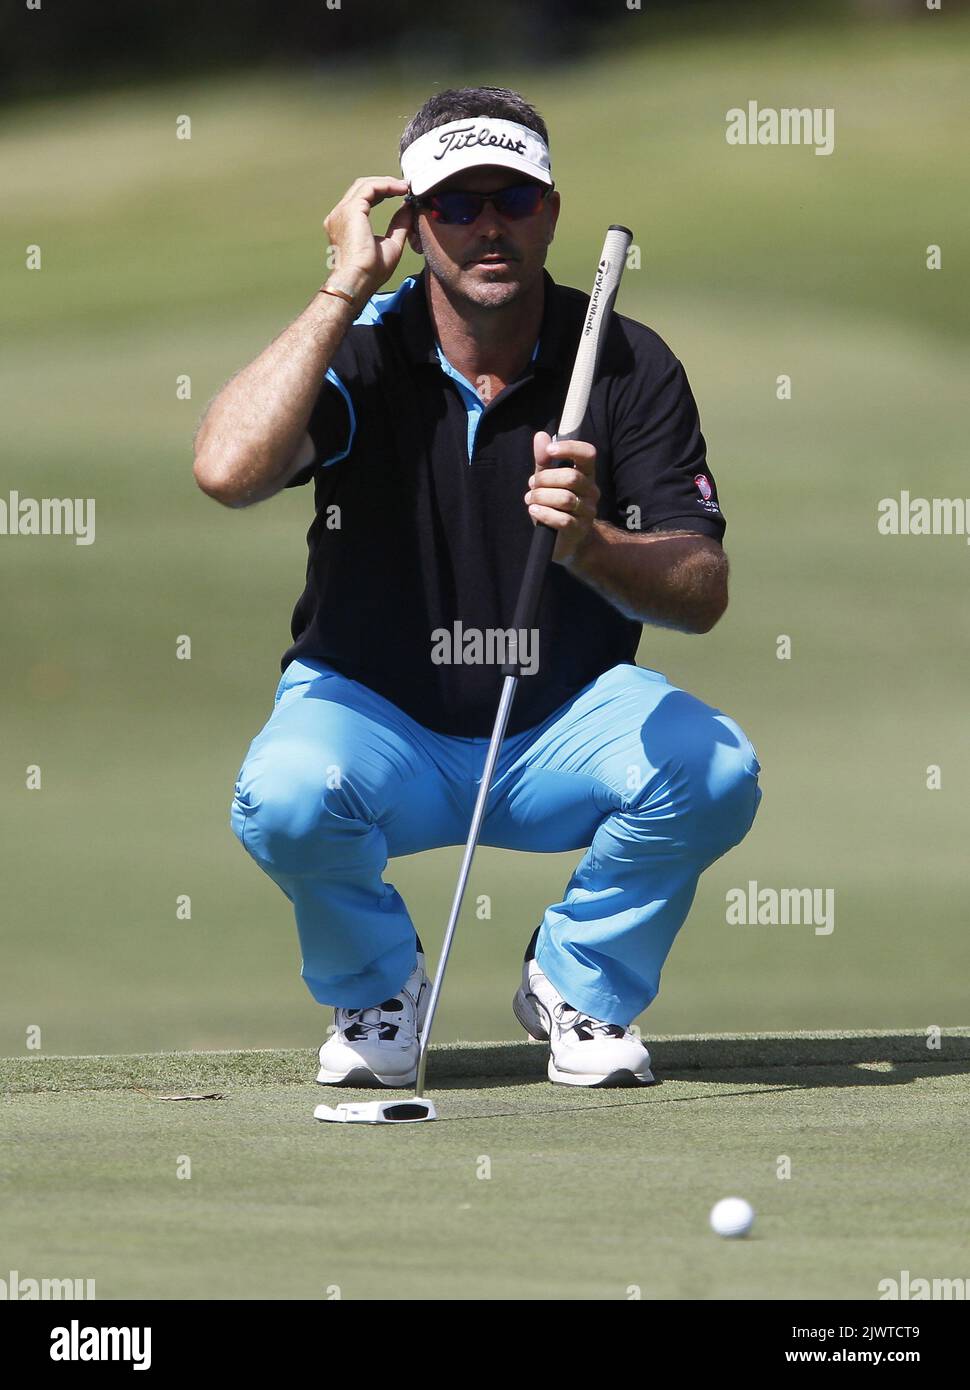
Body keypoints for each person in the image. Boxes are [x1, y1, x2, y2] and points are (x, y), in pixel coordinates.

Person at [193, 86, 762, 1090]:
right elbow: (229, 471)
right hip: (378, 717)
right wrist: (337, 290)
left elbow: (701, 589)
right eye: (455, 205)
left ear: (550, 212)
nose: (487, 225)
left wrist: (591, 545)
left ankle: (576, 983)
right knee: (283, 796)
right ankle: (378, 984)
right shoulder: (362, 347)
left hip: (561, 721)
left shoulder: (623, 360)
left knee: (712, 767)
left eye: (511, 198)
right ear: (408, 225)